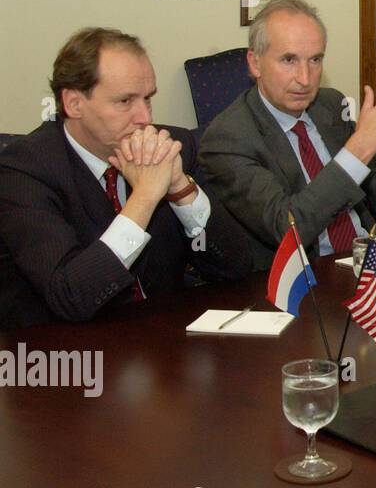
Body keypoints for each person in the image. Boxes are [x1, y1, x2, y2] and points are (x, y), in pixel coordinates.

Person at [0, 28, 251, 328]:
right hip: (65, 357)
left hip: (163, 342)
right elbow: (70, 297)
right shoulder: (24, 169)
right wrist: (144, 198)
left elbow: (236, 269)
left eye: (147, 99)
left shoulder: (173, 145)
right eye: (124, 101)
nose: (144, 117)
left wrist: (180, 190)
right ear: (73, 103)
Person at [198, 0, 376, 271]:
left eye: (315, 60)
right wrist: (361, 147)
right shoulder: (228, 138)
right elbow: (287, 228)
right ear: (255, 63)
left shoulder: (330, 104)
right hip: (306, 276)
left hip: (370, 256)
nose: (305, 79)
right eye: (289, 60)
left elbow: (368, 162)